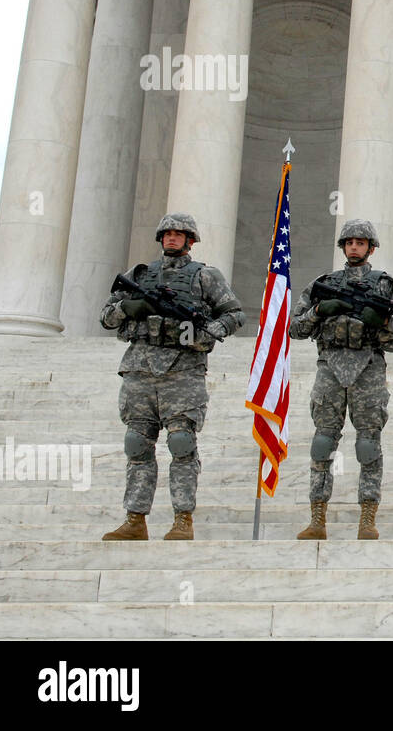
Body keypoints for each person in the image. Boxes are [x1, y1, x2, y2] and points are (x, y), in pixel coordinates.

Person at [99, 213, 245, 541]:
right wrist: (127, 309)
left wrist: (212, 328)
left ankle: (183, 519)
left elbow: (235, 314)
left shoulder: (205, 276)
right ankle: (135, 520)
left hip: (183, 371)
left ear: (190, 240)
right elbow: (106, 317)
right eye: (167, 234)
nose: (172, 239)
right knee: (137, 445)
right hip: (139, 369)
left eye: (179, 235)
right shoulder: (138, 276)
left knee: (182, 444)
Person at [288, 218, 393, 540]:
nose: (354, 247)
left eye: (360, 243)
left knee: (367, 445)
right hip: (330, 367)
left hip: (369, 367)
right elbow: (294, 328)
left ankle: (367, 519)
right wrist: (319, 311)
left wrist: (386, 320)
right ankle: (317, 519)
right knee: (323, 443)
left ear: (371, 248)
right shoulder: (324, 283)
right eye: (349, 243)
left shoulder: (385, 286)